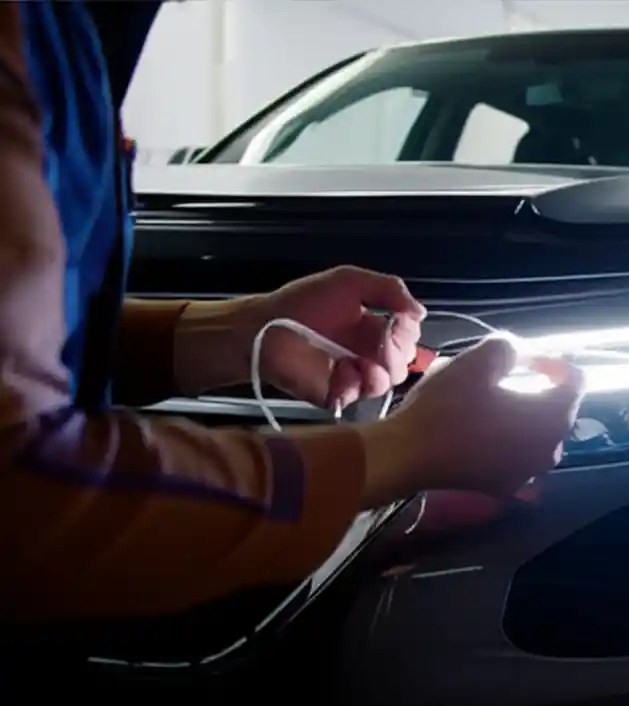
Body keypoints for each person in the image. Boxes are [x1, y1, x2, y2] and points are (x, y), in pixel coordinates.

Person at [0, 2, 584, 623]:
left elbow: (31, 349)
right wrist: (401, 451)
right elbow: (19, 501)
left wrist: (235, 334)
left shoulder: (68, 29)